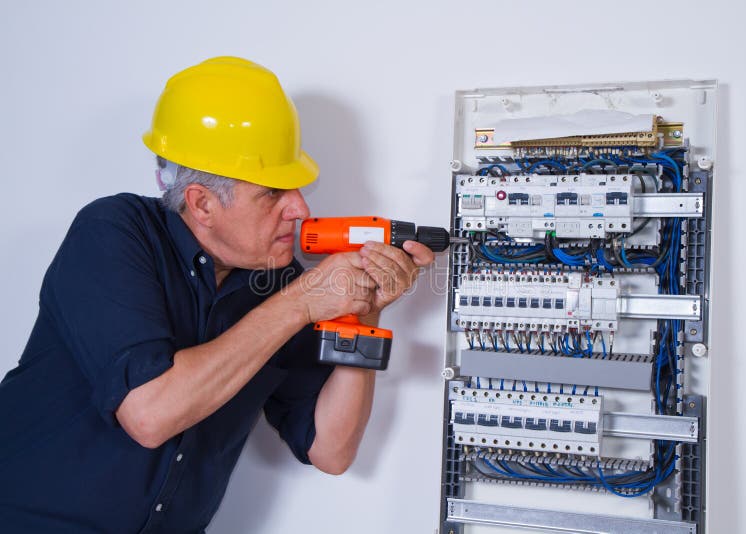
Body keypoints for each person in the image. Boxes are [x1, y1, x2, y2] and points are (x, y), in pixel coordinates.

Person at [0, 56, 434, 533]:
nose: (301, 208)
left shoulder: (280, 281)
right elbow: (150, 414)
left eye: (298, 188)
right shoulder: (113, 233)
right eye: (273, 192)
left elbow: (330, 449)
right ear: (202, 202)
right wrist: (300, 304)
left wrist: (362, 316)